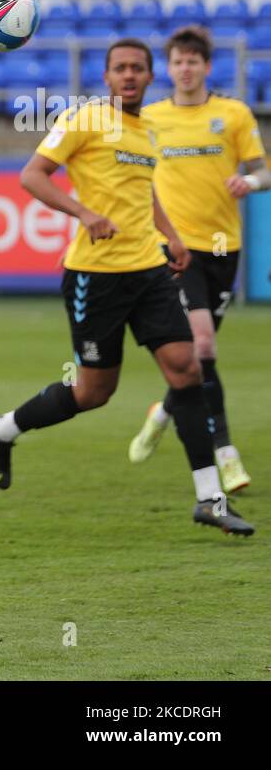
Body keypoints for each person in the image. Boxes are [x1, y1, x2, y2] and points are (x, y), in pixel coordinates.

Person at [0, 39, 254, 536]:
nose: (129, 75)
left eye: (137, 69)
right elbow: (32, 176)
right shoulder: (84, 120)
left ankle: (210, 498)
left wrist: (171, 238)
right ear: (106, 78)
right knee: (94, 392)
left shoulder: (148, 129)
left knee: (187, 368)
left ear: (150, 78)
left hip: (149, 272)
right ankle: (2, 430)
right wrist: (84, 213)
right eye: (120, 68)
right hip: (94, 276)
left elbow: (143, 192)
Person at [129, 25, 270, 493]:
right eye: (177, 62)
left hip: (224, 249)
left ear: (207, 67)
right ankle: (227, 455)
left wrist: (248, 184)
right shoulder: (149, 119)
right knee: (204, 346)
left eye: (193, 61)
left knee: (194, 359)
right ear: (167, 70)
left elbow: (262, 169)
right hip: (176, 248)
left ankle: (164, 410)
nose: (185, 69)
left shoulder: (232, 114)